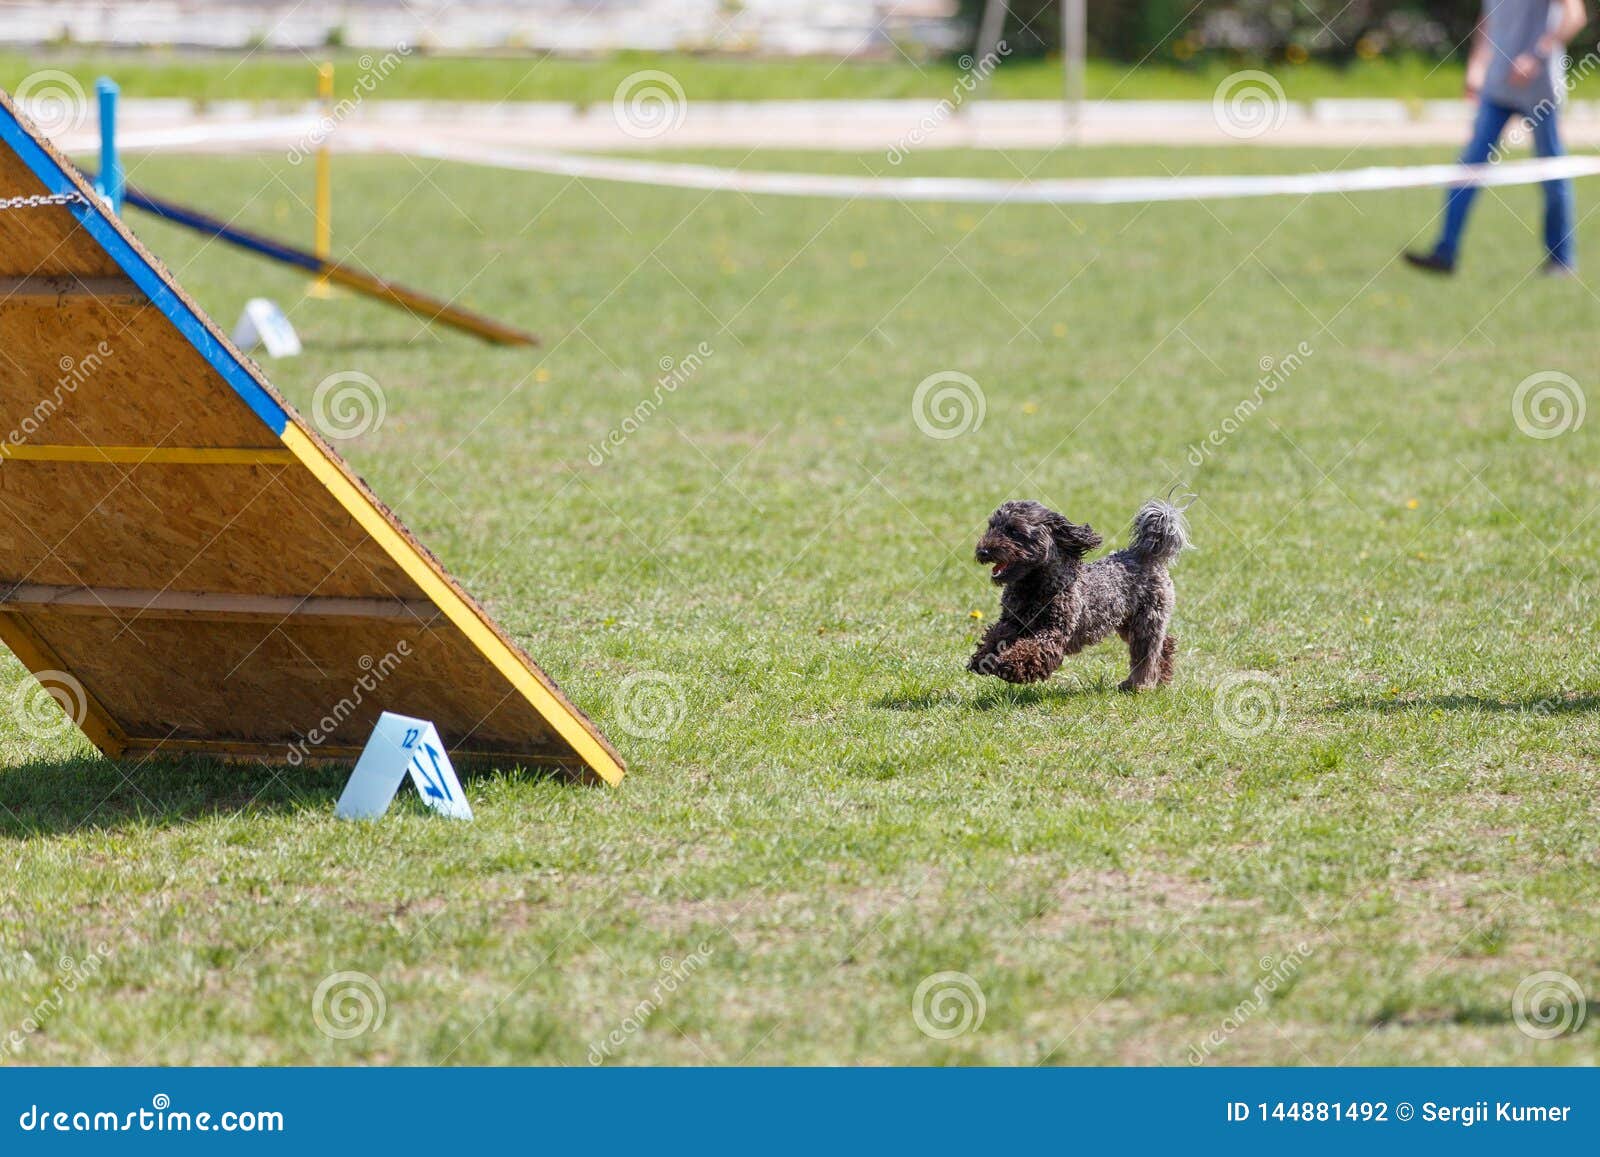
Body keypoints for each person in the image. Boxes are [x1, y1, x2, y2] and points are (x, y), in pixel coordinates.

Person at [1406, 0, 1590, 276]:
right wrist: (1475, 68)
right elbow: (1488, 21)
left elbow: (1575, 16)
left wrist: (1536, 55)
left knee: (1553, 173)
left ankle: (1562, 260)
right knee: (1468, 168)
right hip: (1497, 89)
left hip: (1540, 91)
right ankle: (1445, 252)